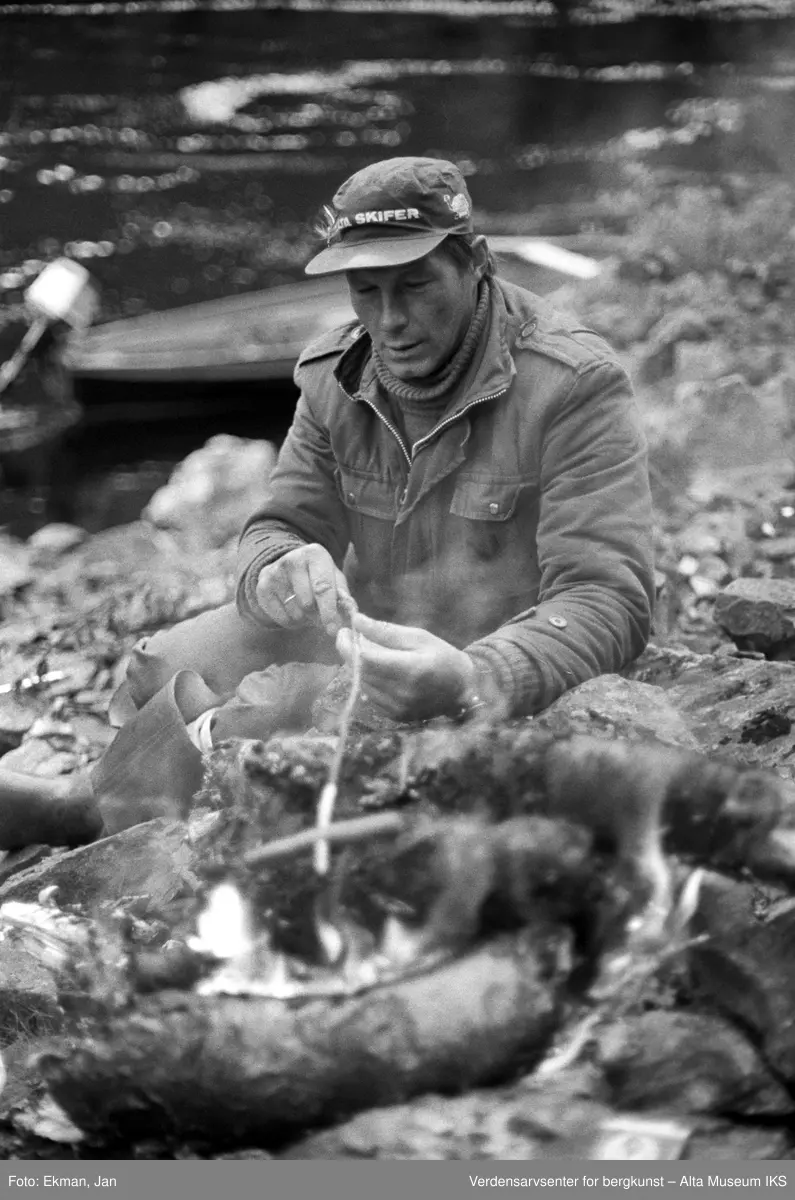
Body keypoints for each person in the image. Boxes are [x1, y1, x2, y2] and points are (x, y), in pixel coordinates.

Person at [0, 156, 655, 849]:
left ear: (475, 263)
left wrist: (473, 676)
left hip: (502, 664)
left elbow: (609, 599)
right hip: (366, 633)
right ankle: (117, 798)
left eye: (413, 286)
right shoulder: (333, 376)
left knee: (280, 703)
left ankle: (84, 813)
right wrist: (277, 565)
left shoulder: (574, 385)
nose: (390, 321)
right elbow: (279, 523)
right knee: (165, 662)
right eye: (364, 292)